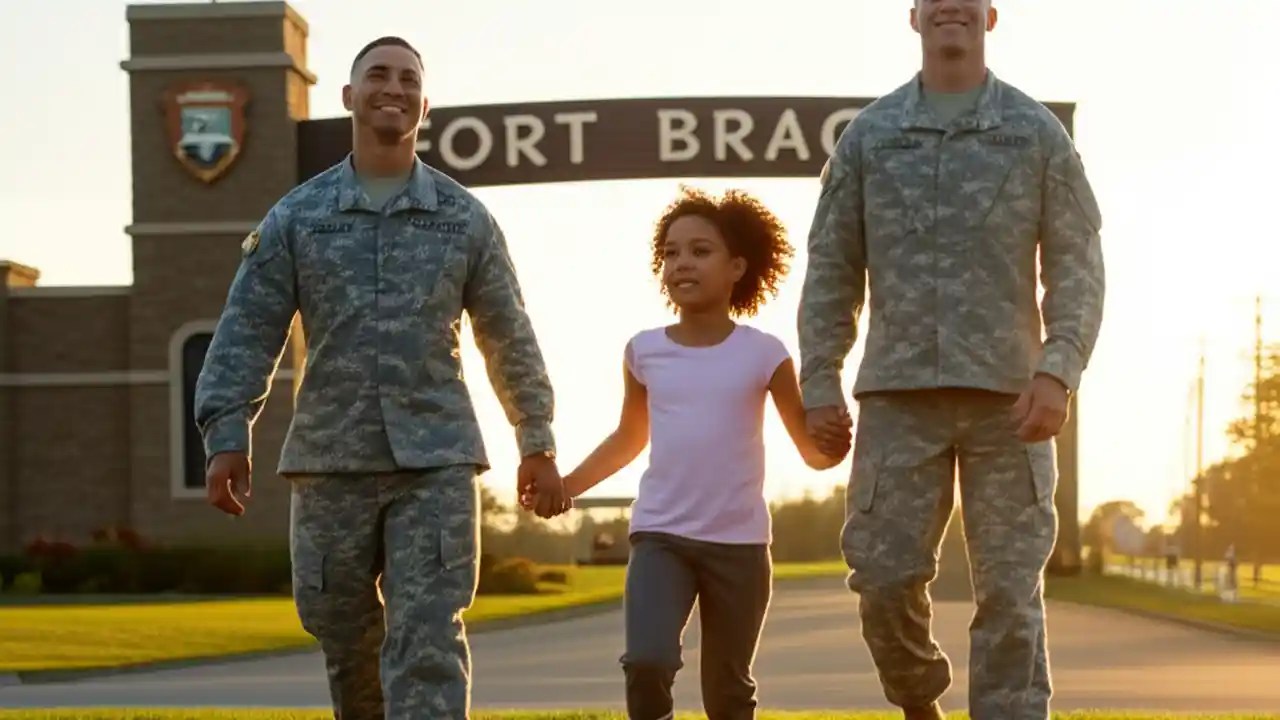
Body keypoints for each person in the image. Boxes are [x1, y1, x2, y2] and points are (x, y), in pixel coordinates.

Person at [194, 36, 570, 720]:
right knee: (339, 632)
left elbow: (508, 333)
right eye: (377, 75)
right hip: (330, 460)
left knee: (427, 640)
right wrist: (227, 432)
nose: (392, 88)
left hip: (436, 462)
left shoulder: (464, 220)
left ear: (424, 105)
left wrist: (535, 439)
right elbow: (249, 328)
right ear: (349, 96)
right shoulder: (298, 217)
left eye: (407, 80)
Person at [796, 1, 1105, 718]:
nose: (951, 8)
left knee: (1009, 594)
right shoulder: (870, 137)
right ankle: (918, 700)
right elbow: (830, 268)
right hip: (898, 401)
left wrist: (1058, 370)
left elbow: (1077, 263)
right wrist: (819, 381)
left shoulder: (1034, 134)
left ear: (990, 16)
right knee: (881, 578)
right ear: (915, 16)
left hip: (1013, 402)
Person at [537, 186, 851, 720]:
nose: (682, 263)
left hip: (741, 545)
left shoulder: (766, 354)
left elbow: (811, 453)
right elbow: (628, 438)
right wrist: (567, 486)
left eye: (700, 251)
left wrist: (834, 445)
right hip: (662, 537)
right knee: (648, 661)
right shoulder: (643, 351)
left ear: (737, 266)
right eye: (672, 253)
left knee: (728, 691)